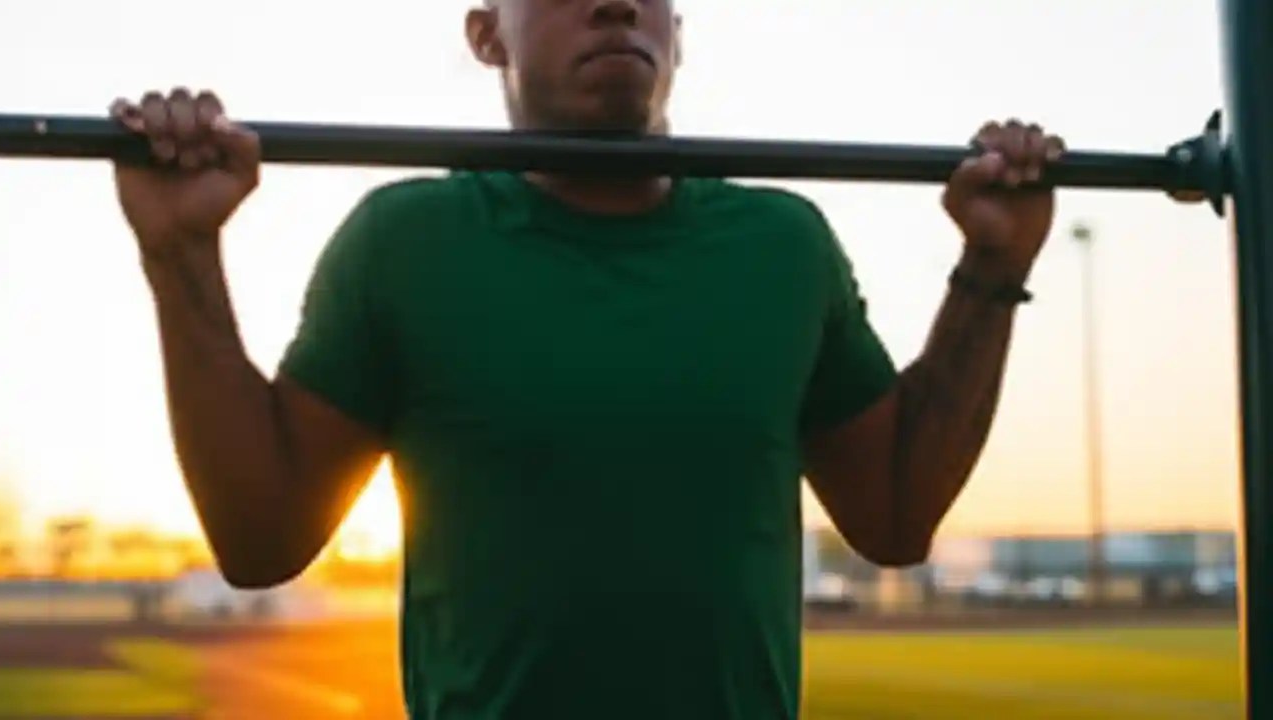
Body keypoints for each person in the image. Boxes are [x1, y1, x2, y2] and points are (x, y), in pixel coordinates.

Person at [108, 1, 1065, 718]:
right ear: (488, 35)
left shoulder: (783, 243)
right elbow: (260, 539)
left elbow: (894, 518)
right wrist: (181, 256)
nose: (616, 1)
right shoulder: (405, 241)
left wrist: (992, 267)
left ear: (678, 33)